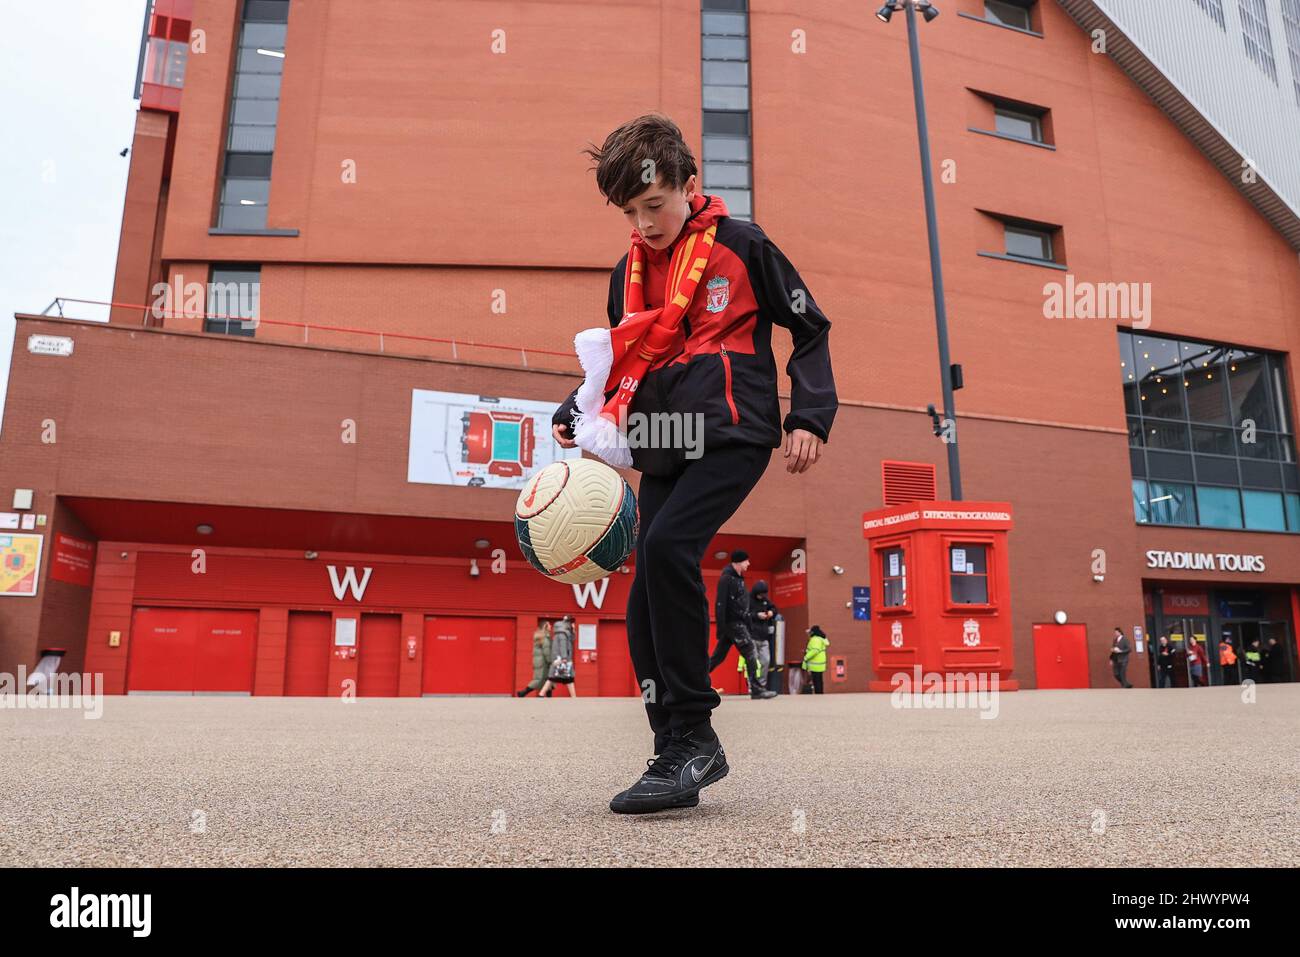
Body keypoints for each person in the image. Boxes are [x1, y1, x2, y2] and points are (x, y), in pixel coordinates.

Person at [550, 114, 837, 813]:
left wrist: (809, 414)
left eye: (655, 205)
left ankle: (698, 734)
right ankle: (672, 741)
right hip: (661, 435)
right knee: (644, 580)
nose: (646, 223)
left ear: (685, 182)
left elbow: (808, 325)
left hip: (733, 428)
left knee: (670, 547)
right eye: (631, 212)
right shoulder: (628, 275)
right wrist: (574, 406)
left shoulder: (742, 245)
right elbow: (627, 358)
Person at [710, 550, 775, 700]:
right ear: (738, 562)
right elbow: (720, 603)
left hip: (736, 625)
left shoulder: (738, 579)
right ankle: (757, 689)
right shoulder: (727, 579)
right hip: (733, 624)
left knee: (718, 656)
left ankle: (696, 682)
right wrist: (721, 626)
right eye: (746, 561)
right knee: (750, 650)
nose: (748, 564)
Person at [749, 579, 779, 692]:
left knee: (766, 661)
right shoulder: (748, 600)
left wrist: (771, 612)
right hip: (752, 636)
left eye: (763, 594)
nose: (762, 596)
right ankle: (752, 686)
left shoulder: (765, 601)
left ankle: (762, 685)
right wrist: (757, 615)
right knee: (753, 662)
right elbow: (745, 614)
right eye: (760, 594)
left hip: (764, 636)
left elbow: (775, 608)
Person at [539, 615, 577, 698]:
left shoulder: (563, 631)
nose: (573, 625)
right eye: (572, 624)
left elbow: (572, 640)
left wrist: (573, 630)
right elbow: (563, 646)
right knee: (566, 678)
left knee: (554, 677)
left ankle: (541, 694)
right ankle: (574, 697)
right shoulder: (563, 633)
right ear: (569, 623)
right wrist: (564, 658)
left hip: (559, 658)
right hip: (561, 659)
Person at [517, 620, 552, 697]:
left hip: (539, 661)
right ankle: (523, 693)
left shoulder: (540, 637)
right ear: (545, 627)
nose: (551, 626)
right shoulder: (545, 638)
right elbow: (546, 651)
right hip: (543, 662)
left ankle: (549, 697)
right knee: (539, 679)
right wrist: (550, 660)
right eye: (549, 625)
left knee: (547, 679)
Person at [801, 625, 829, 693]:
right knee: (819, 680)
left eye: (810, 632)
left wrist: (806, 657)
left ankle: (818, 694)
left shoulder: (815, 639)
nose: (809, 634)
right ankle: (820, 693)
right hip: (820, 664)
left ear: (813, 632)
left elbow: (815, 650)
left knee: (816, 680)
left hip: (815, 664)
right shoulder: (820, 639)